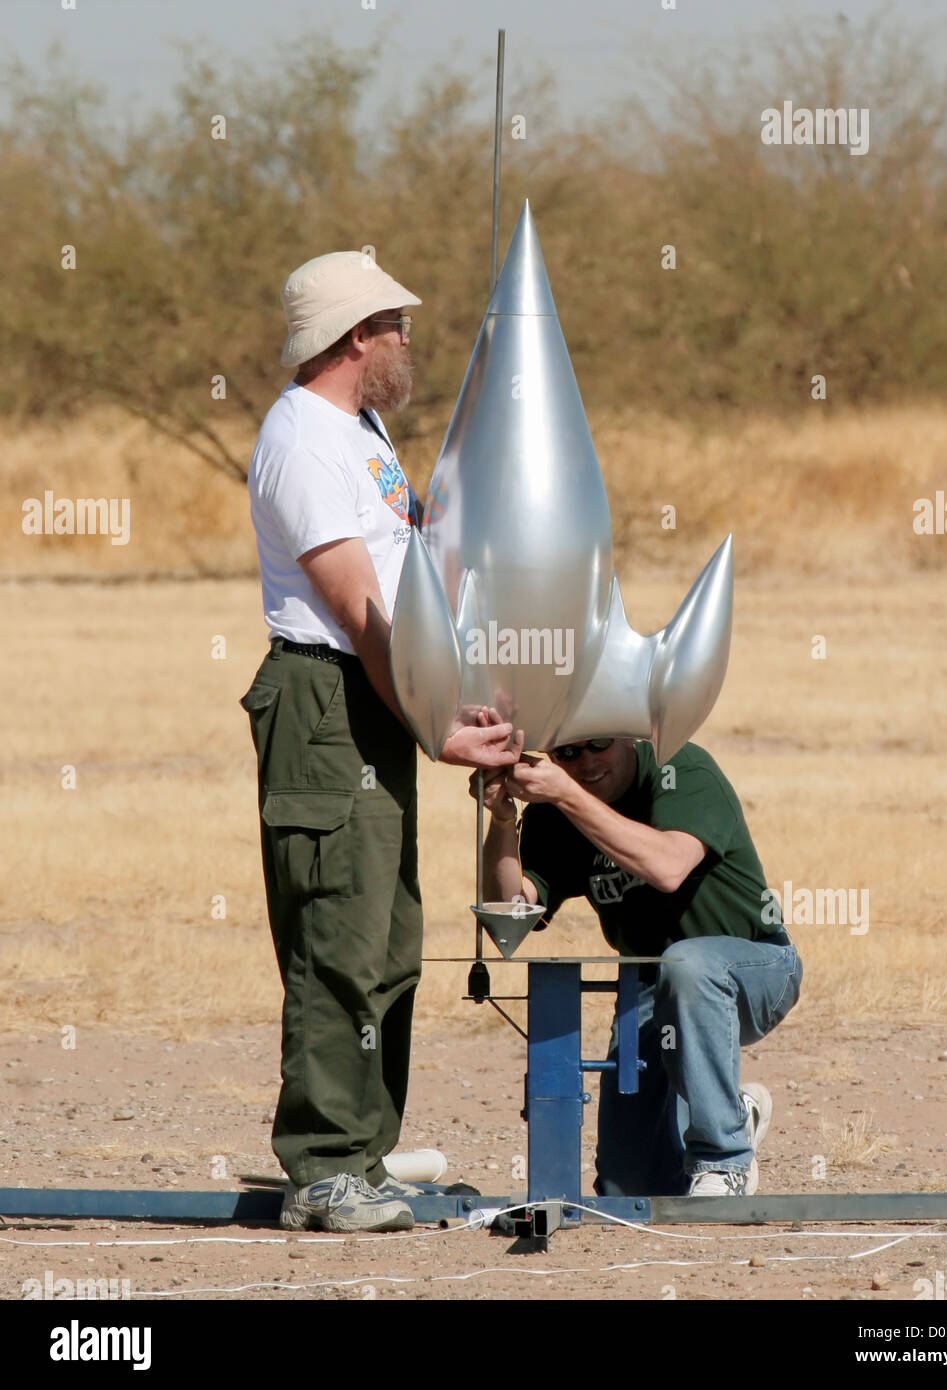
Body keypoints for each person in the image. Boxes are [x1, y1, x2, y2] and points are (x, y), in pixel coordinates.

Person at [240, 250, 521, 1234]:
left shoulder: (360, 429)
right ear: (356, 336)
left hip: (381, 692)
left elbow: (406, 579)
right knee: (336, 938)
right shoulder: (303, 440)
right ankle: (320, 1168)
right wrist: (431, 724)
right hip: (330, 700)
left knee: (390, 939)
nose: (408, 340)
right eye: (395, 324)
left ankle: (363, 1154)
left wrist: (453, 688)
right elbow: (359, 609)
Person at [473, 736, 802, 1196]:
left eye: (599, 746)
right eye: (567, 754)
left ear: (628, 736)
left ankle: (725, 1158)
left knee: (687, 965)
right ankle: (733, 1110)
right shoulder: (553, 812)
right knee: (628, 1185)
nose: (586, 763)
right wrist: (503, 821)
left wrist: (567, 794)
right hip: (648, 987)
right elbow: (509, 919)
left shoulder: (680, 766)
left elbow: (667, 867)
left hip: (755, 964)